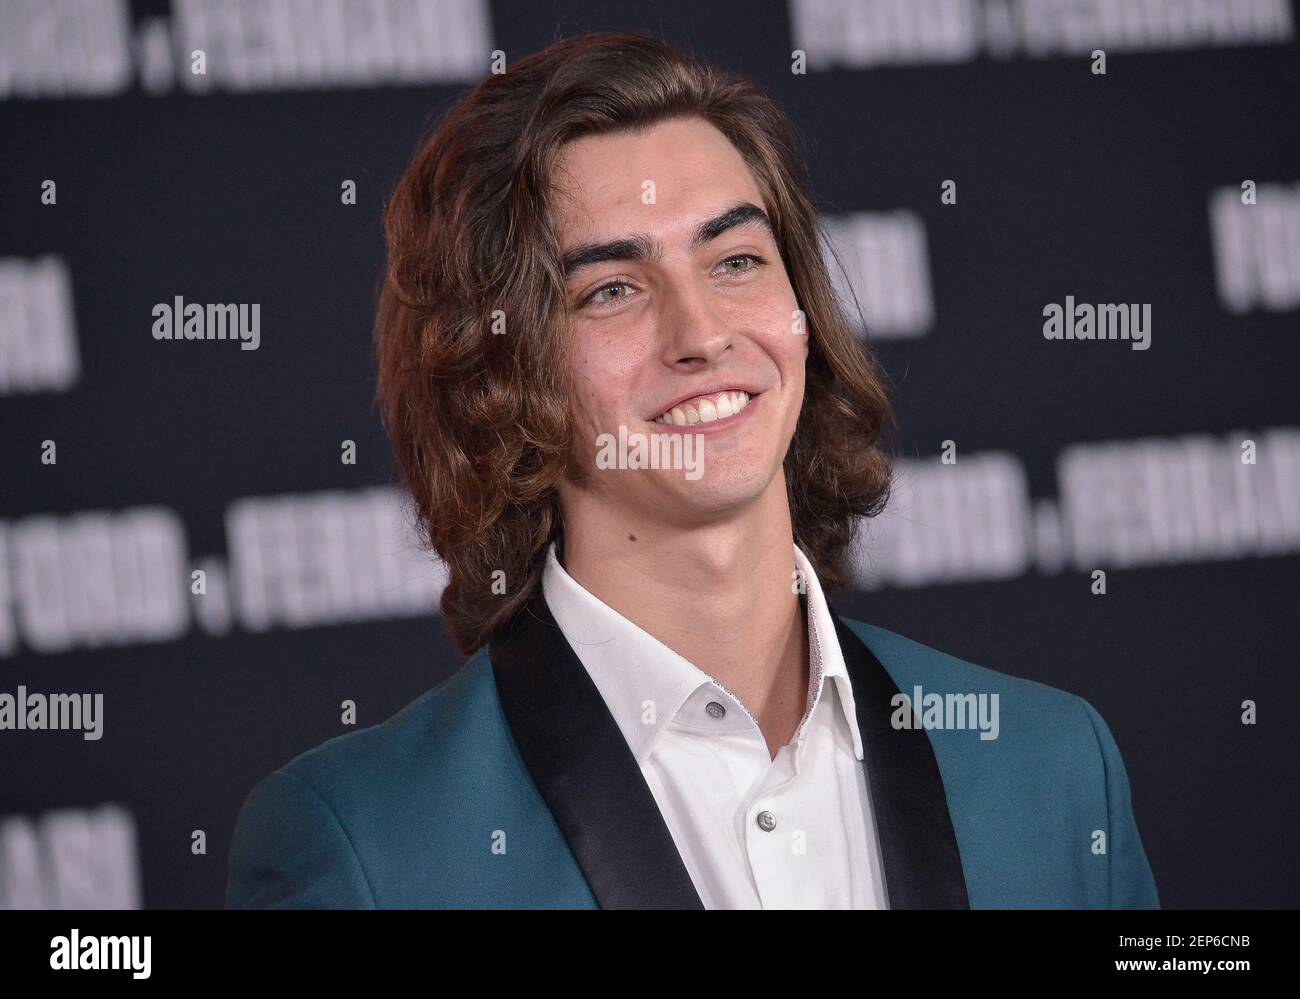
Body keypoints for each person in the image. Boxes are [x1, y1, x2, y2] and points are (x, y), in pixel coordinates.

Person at [226, 31, 1159, 909]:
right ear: (498, 370)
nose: (704, 334)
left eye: (737, 259)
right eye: (613, 289)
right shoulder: (369, 845)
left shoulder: (1053, 768)